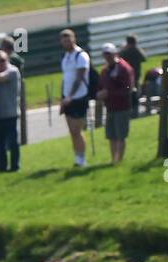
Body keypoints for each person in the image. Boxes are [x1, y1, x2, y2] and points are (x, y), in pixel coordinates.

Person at [96, 43, 135, 164]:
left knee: (120, 135)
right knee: (111, 136)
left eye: (109, 54)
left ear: (115, 54)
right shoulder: (105, 70)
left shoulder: (124, 69)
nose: (107, 57)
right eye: (105, 55)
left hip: (122, 107)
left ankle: (119, 160)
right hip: (110, 107)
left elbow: (128, 88)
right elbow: (101, 86)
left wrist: (109, 93)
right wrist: (99, 93)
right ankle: (114, 160)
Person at [59, 29, 92, 168]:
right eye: (64, 40)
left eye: (68, 39)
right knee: (72, 131)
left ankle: (82, 159)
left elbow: (79, 78)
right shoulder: (66, 57)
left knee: (77, 130)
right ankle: (77, 157)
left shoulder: (81, 56)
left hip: (78, 97)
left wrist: (70, 96)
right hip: (67, 97)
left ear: (74, 39)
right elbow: (65, 78)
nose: (66, 42)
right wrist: (63, 98)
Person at [118, 34, 147, 114]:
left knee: (128, 93)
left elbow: (119, 58)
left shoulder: (125, 51)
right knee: (136, 93)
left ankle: (130, 111)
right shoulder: (137, 50)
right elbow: (144, 58)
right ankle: (135, 111)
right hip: (136, 75)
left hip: (127, 76)